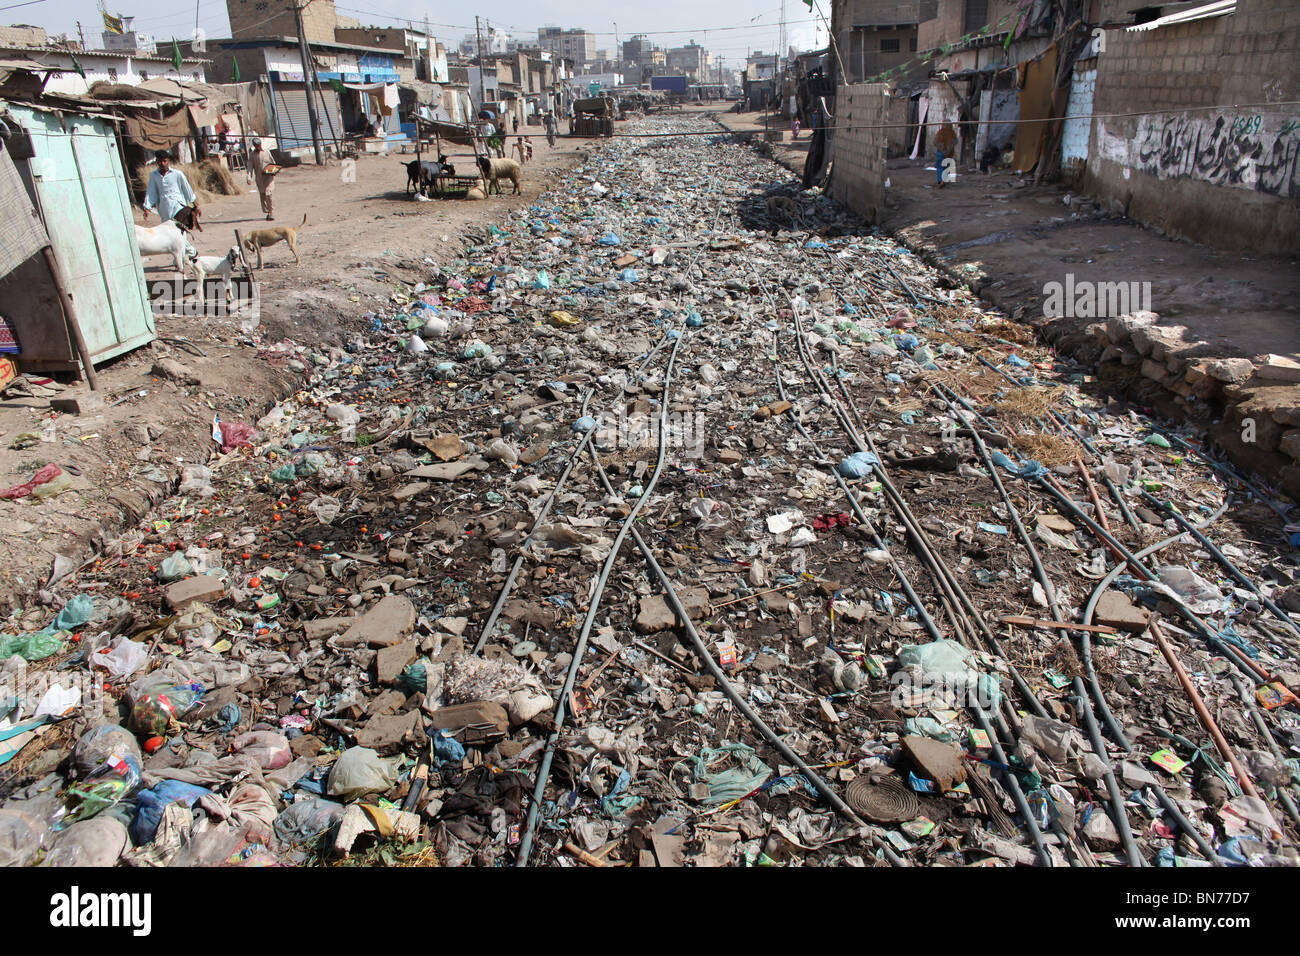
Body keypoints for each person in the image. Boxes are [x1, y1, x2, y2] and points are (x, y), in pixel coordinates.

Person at [142, 150, 197, 224]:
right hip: (164, 210)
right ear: (157, 161)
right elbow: (151, 192)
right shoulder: (154, 175)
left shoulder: (177, 174)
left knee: (180, 231)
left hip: (178, 207)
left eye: (165, 161)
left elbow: (187, 189)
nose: (163, 164)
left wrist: (196, 205)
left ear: (168, 161)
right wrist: (147, 208)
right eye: (160, 161)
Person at [248, 137, 277, 220]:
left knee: (269, 193)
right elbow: (250, 167)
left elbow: (273, 163)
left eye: (259, 145)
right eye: (257, 146)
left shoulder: (266, 152)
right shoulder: (252, 155)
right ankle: (267, 212)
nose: (258, 147)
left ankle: (271, 212)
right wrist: (249, 177)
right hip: (260, 178)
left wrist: (273, 172)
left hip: (268, 177)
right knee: (263, 195)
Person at [934, 121, 957, 188]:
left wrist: (942, 149)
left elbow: (935, 142)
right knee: (946, 167)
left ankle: (940, 181)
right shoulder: (952, 133)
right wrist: (948, 150)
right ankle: (943, 180)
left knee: (940, 167)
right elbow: (955, 142)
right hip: (949, 153)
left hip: (940, 152)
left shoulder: (940, 132)